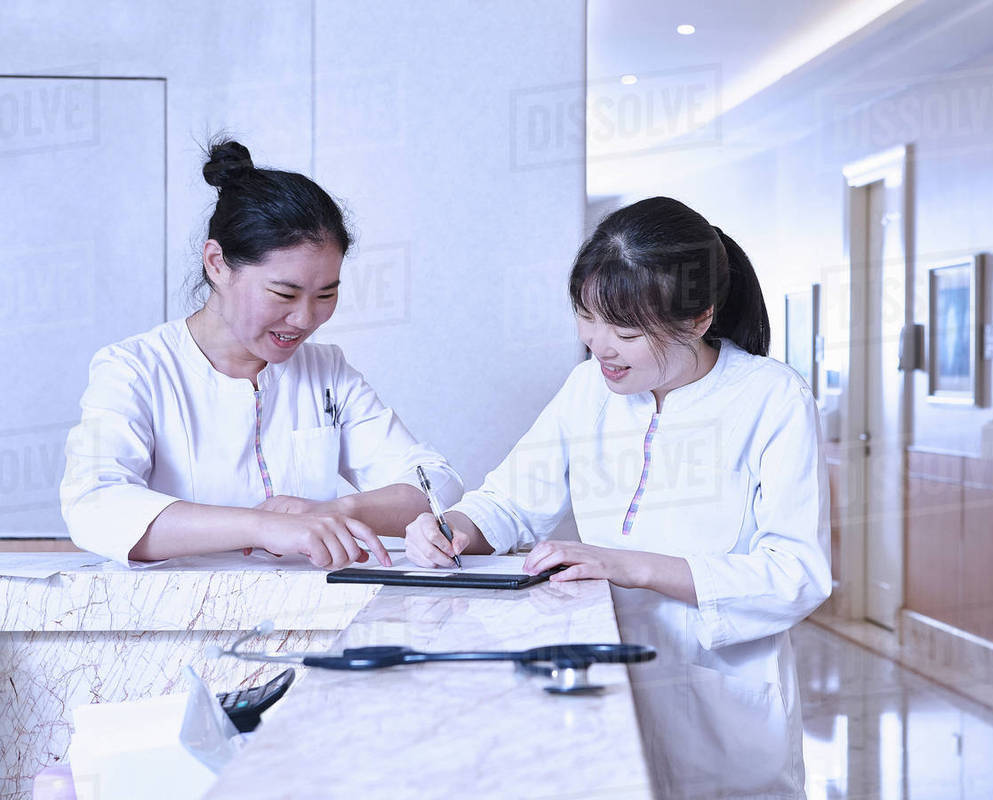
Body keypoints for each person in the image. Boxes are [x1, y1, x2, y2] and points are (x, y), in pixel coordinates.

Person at [405, 196, 831, 798]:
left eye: (626, 331)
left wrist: (627, 566)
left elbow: (796, 574)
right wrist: (453, 525)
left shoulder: (772, 399)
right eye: (586, 317)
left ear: (699, 318)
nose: (599, 345)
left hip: (723, 702)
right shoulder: (588, 390)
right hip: (606, 678)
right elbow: (510, 498)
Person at [60, 139, 461, 569]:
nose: (305, 318)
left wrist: (334, 511)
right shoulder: (136, 369)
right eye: (283, 293)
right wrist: (261, 526)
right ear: (217, 263)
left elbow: (434, 480)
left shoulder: (327, 372)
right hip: (183, 622)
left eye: (326, 294)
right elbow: (95, 505)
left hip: (311, 617)